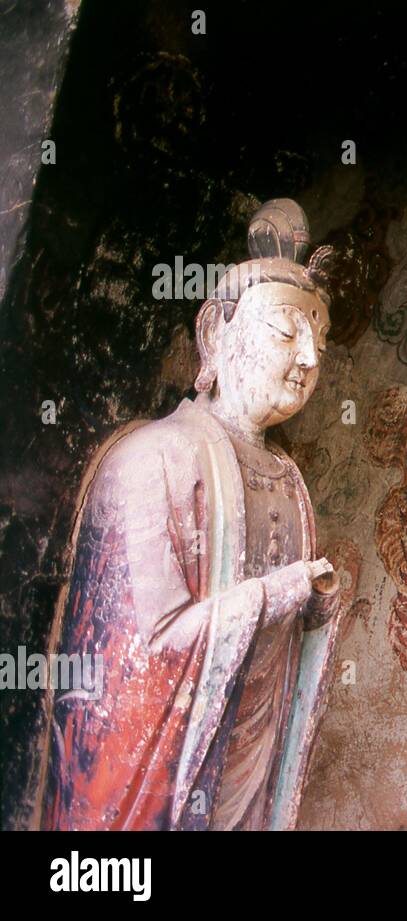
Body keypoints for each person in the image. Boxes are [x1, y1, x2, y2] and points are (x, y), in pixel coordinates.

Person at [41, 199, 343, 830]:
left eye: (321, 336)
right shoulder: (154, 459)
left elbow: (285, 653)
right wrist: (279, 593)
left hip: (246, 767)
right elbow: (140, 659)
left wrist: (314, 607)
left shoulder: (289, 477)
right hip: (164, 788)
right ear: (216, 335)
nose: (311, 357)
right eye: (289, 331)